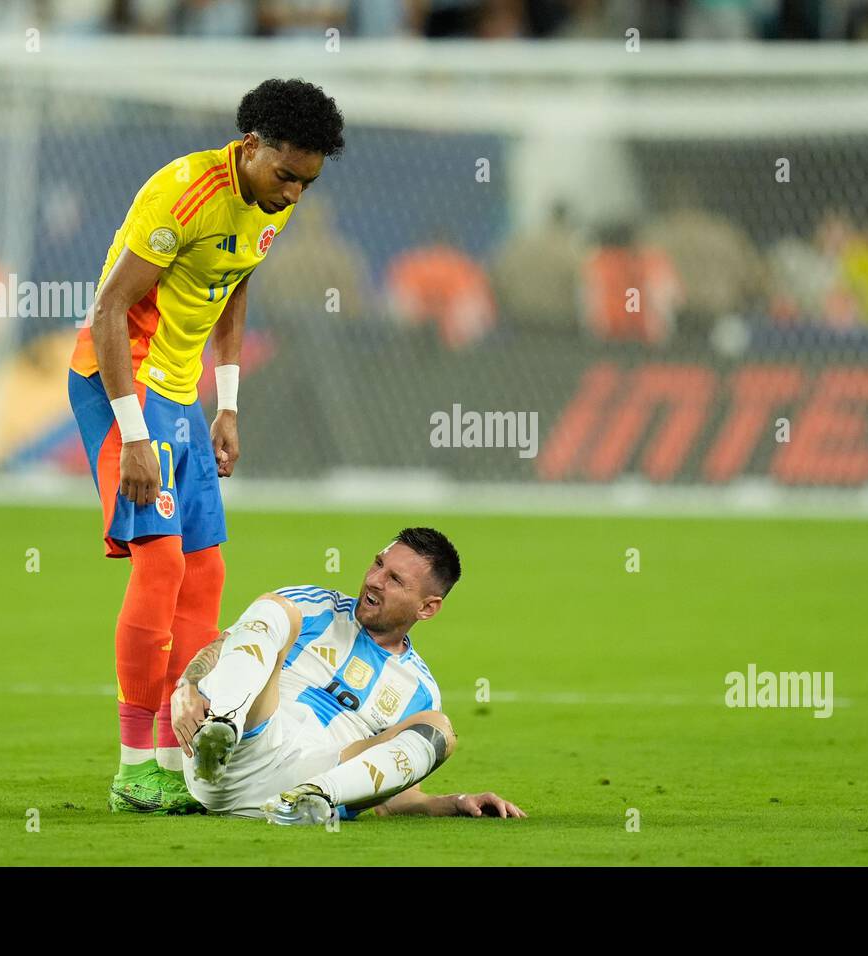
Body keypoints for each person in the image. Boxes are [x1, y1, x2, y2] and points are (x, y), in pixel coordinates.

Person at [67, 78, 345, 813]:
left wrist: (227, 403)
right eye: (286, 175)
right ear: (250, 146)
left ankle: (170, 755)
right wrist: (133, 437)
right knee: (160, 568)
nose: (293, 195)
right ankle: (133, 768)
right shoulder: (185, 194)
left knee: (206, 572)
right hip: (117, 381)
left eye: (308, 183)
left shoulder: (270, 203)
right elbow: (109, 311)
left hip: (181, 395)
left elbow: (234, 286)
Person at [170, 528, 526, 823]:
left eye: (394, 580)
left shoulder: (420, 690)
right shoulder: (314, 606)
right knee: (277, 609)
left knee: (440, 729)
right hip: (248, 743)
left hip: (313, 777)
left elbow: (385, 794)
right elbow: (226, 646)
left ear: (427, 607)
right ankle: (220, 731)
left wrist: (454, 802)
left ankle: (311, 800)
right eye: (378, 564)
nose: (373, 581)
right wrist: (186, 685)